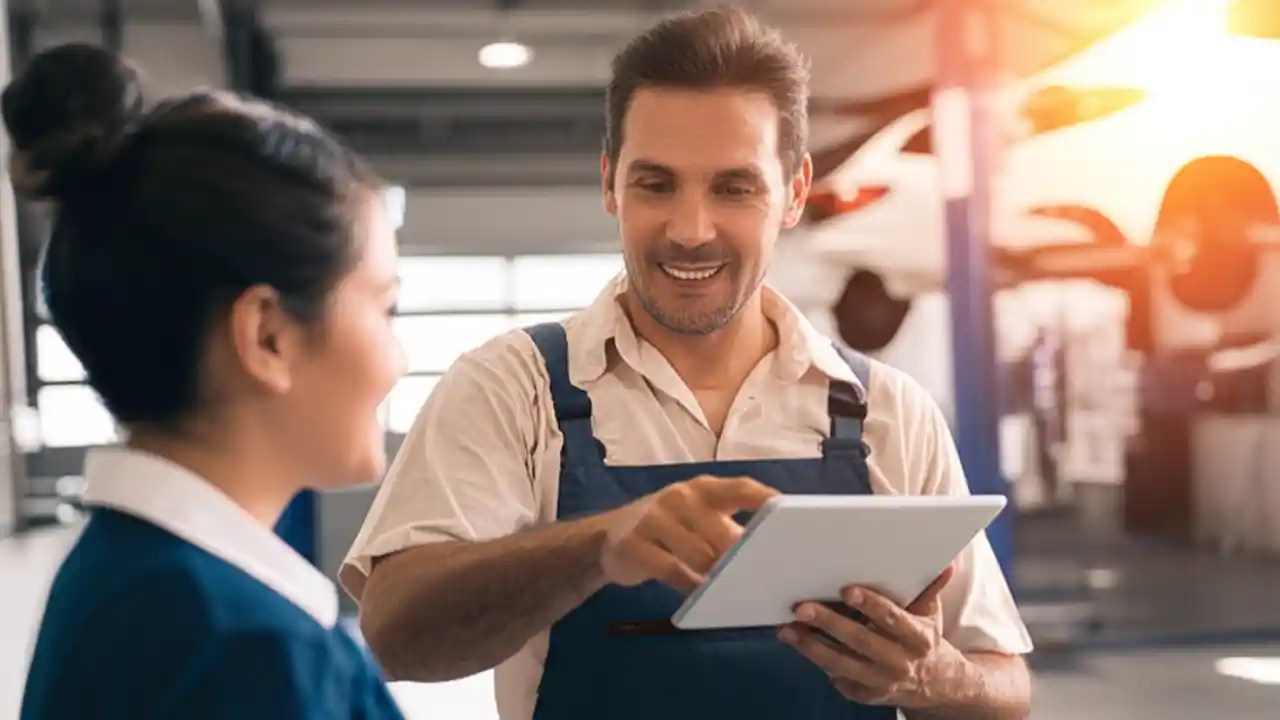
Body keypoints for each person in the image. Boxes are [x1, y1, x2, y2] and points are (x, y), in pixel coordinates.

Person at [343, 6, 1033, 719]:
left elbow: (1005, 687)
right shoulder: (513, 390)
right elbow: (396, 635)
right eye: (656, 184)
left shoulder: (887, 411)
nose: (691, 231)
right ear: (611, 183)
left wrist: (932, 677)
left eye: (733, 187)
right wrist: (597, 544)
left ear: (793, 192)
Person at [13, 44, 407, 719]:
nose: (398, 357)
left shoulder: (125, 585)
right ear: (267, 336)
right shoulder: (250, 653)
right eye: (383, 306)